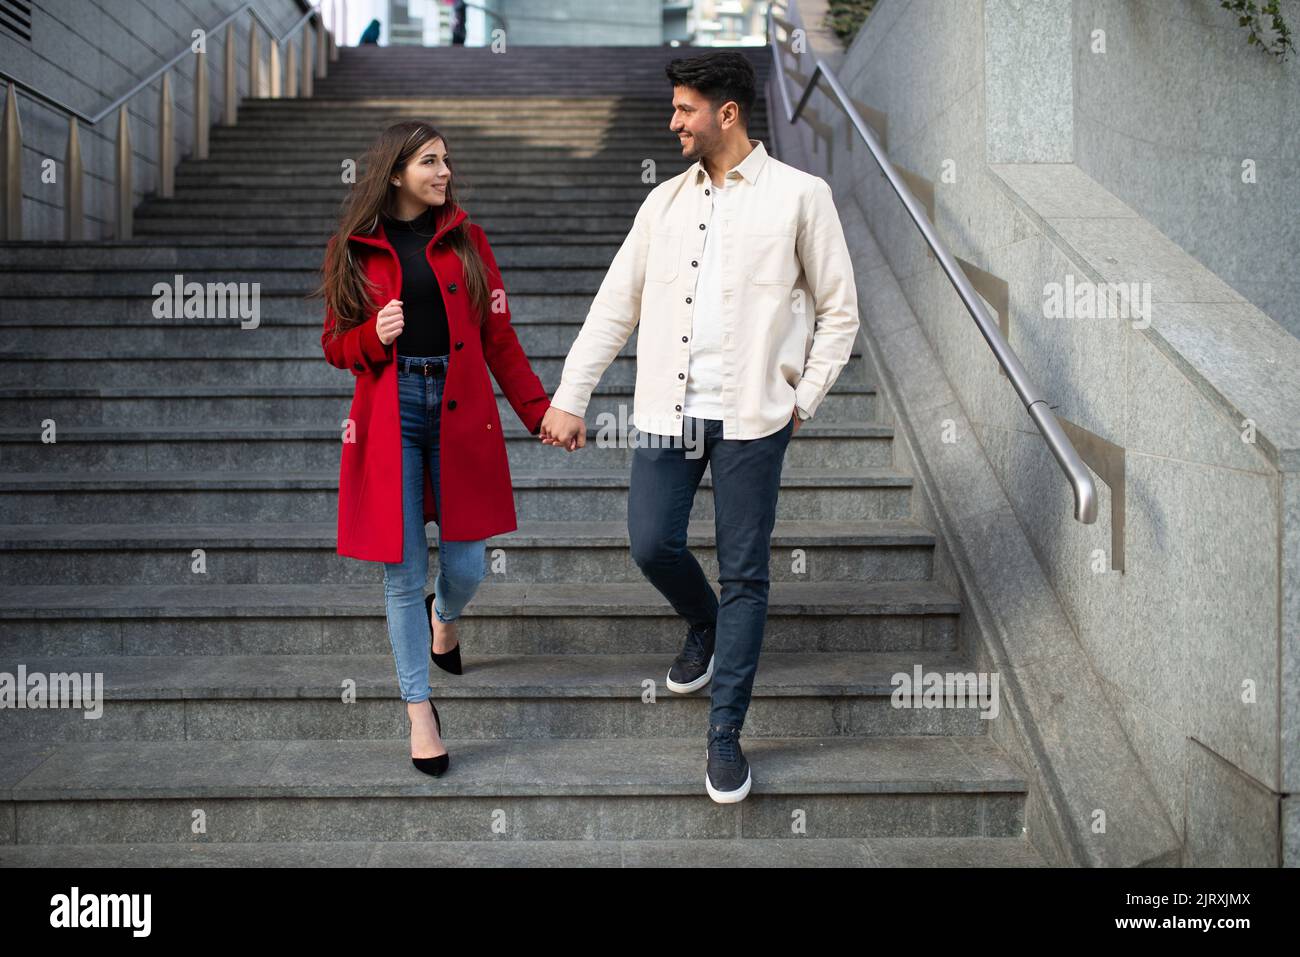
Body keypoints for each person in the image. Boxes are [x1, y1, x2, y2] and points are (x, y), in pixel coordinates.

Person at [538, 51, 860, 803]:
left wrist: (802, 399)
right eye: (674, 108)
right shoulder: (664, 204)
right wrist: (571, 394)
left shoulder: (800, 196)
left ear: (728, 112)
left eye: (685, 109)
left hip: (754, 416)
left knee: (747, 570)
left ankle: (724, 735)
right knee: (651, 540)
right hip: (667, 411)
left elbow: (840, 311)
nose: (673, 121)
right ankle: (704, 622)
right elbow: (616, 304)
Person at [316, 121, 551, 777]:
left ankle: (444, 616)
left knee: (469, 565)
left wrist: (539, 411)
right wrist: (371, 335)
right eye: (429, 161)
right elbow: (335, 344)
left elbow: (498, 338)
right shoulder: (352, 248)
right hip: (391, 417)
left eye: (446, 160)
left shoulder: (469, 241)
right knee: (401, 572)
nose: (444, 171)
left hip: (460, 410)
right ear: (395, 172)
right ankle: (420, 712)